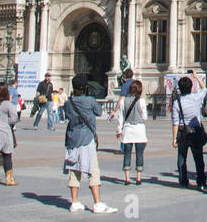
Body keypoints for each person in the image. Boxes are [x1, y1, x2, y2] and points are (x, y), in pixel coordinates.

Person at [61, 73, 117, 213]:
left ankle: (74, 202)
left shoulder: (68, 102)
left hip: (72, 139)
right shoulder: (90, 100)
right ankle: (97, 203)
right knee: (93, 170)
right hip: (86, 139)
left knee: (73, 169)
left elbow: (67, 115)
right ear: (86, 87)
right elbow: (98, 112)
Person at [170, 73, 207, 189]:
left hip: (182, 131)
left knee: (182, 157)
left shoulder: (177, 103)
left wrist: (174, 138)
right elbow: (205, 89)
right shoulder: (196, 97)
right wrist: (197, 77)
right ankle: (201, 181)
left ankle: (183, 181)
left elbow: (175, 122)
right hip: (195, 130)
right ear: (191, 87)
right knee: (198, 158)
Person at [116, 79, 148, 185]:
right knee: (139, 154)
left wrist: (119, 129)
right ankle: (138, 178)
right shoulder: (141, 101)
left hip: (128, 129)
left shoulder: (123, 101)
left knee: (127, 154)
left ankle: (127, 178)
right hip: (139, 130)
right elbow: (145, 117)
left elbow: (120, 117)